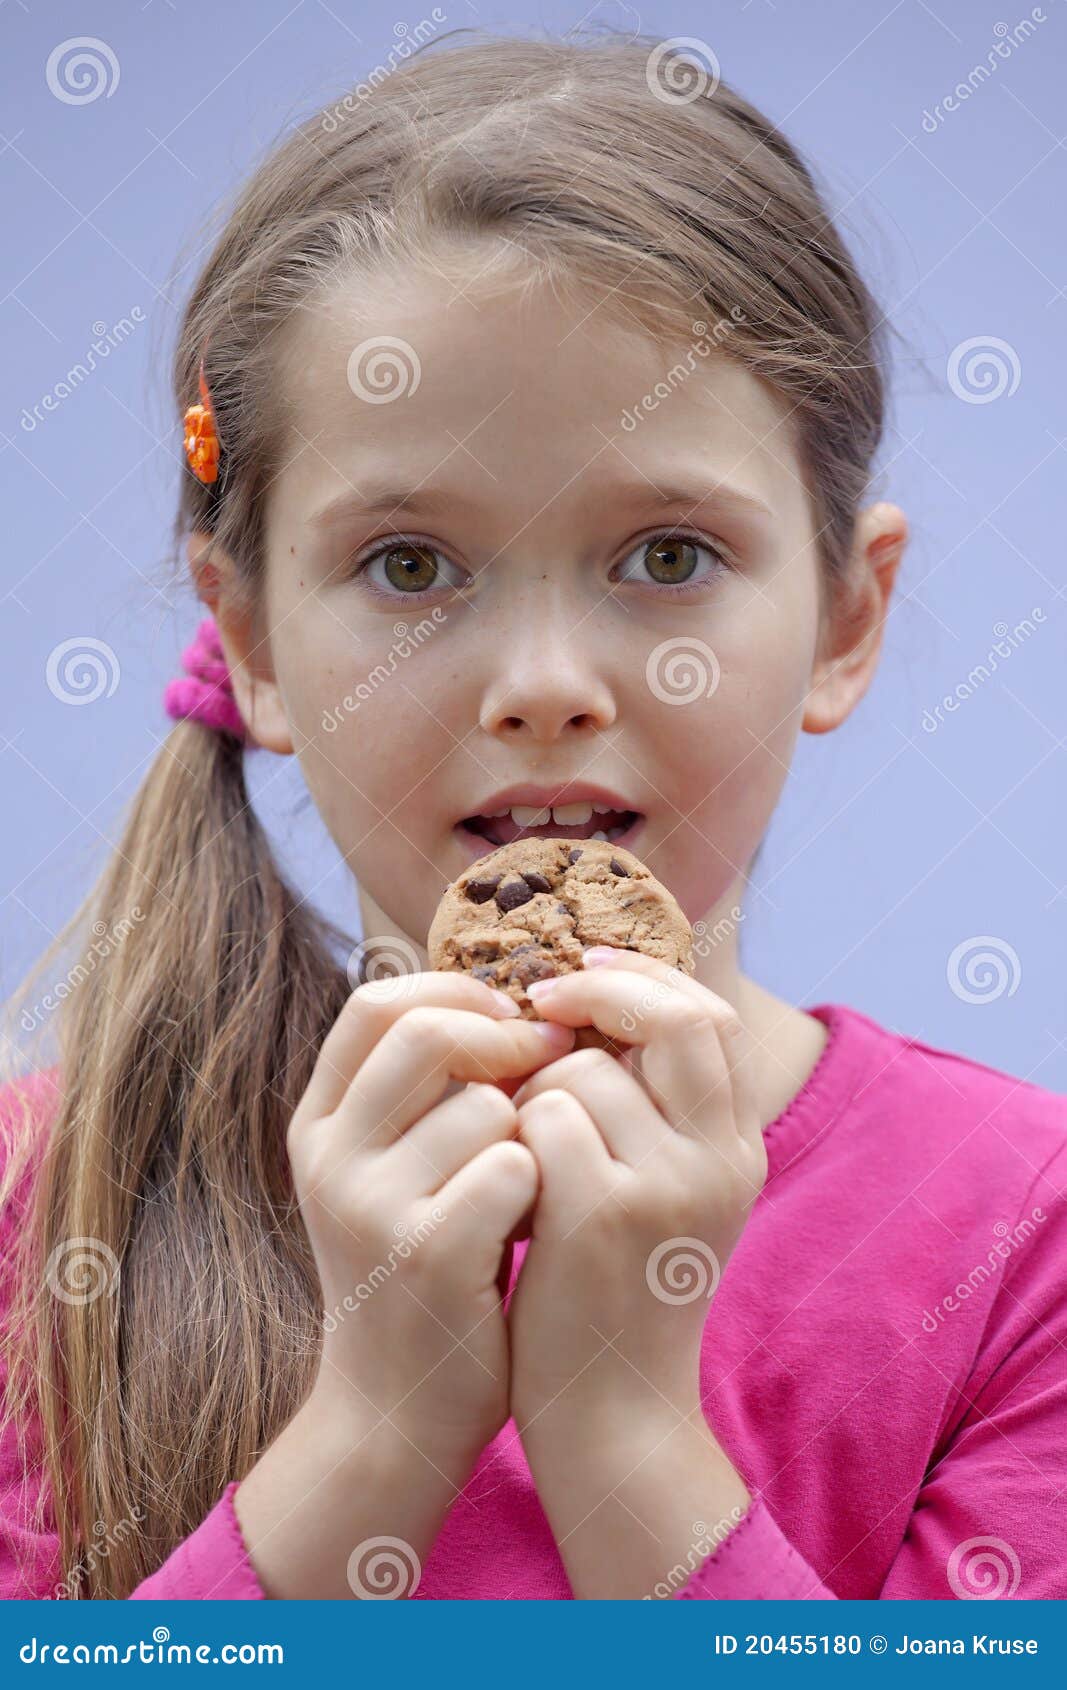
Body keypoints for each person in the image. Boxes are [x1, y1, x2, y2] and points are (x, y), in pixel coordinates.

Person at [2, 29, 1064, 1602]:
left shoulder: (1020, 1238)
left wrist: (626, 1436)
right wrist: (372, 1429)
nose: (546, 685)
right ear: (251, 640)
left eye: (668, 556)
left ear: (849, 614)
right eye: (413, 567)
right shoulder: (44, 1213)